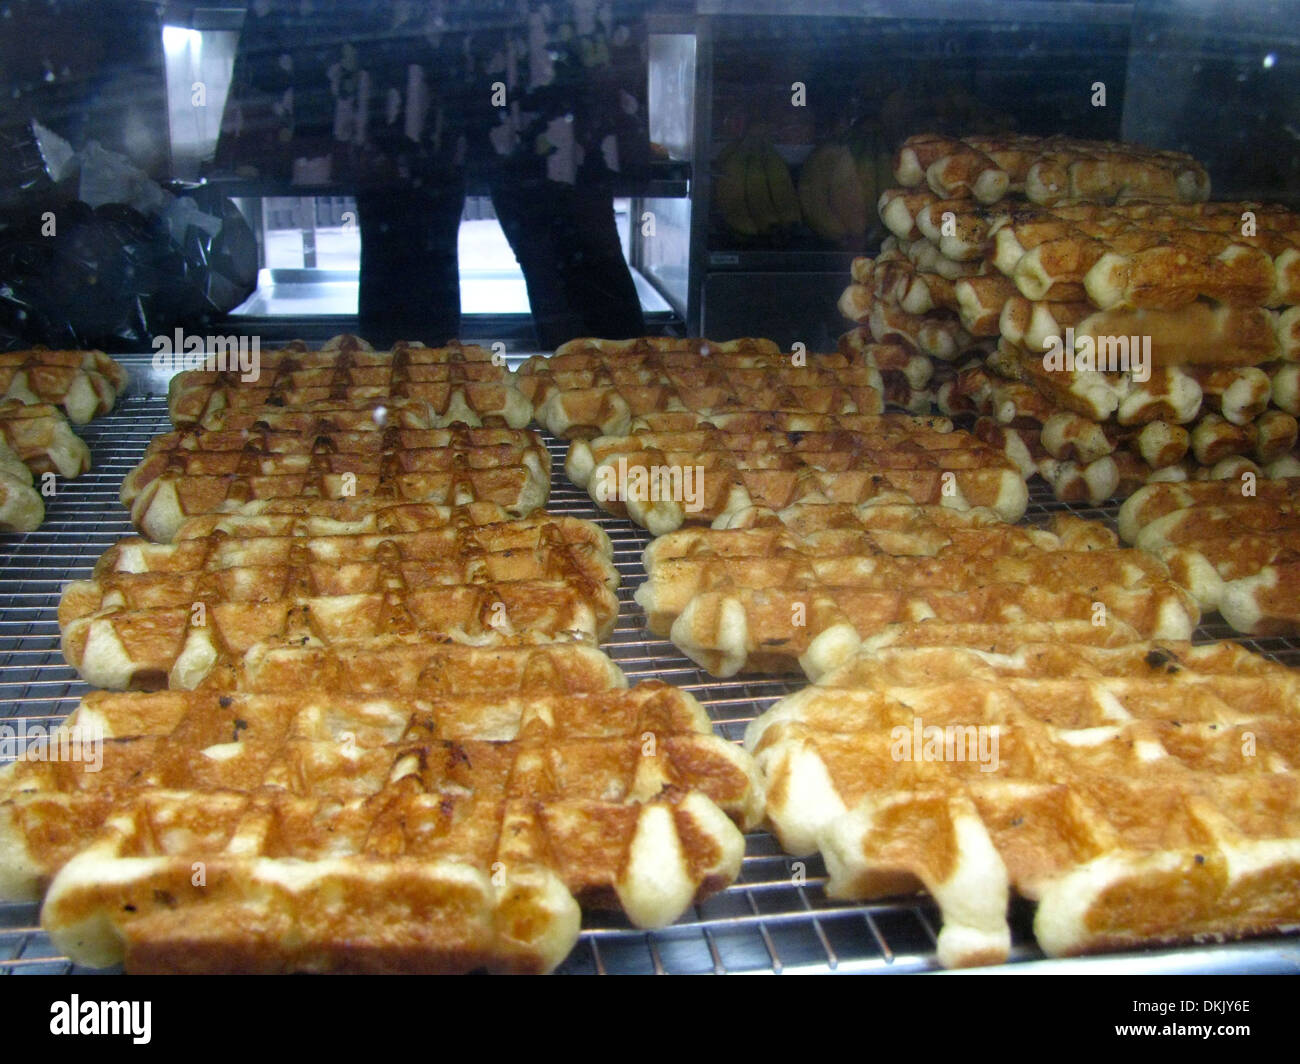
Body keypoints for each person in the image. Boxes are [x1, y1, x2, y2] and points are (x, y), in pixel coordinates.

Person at [217, 0, 648, 349]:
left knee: (414, 229)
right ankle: (618, 393)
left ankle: (618, 396)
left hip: (419, 27)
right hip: (518, 27)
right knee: (556, 223)